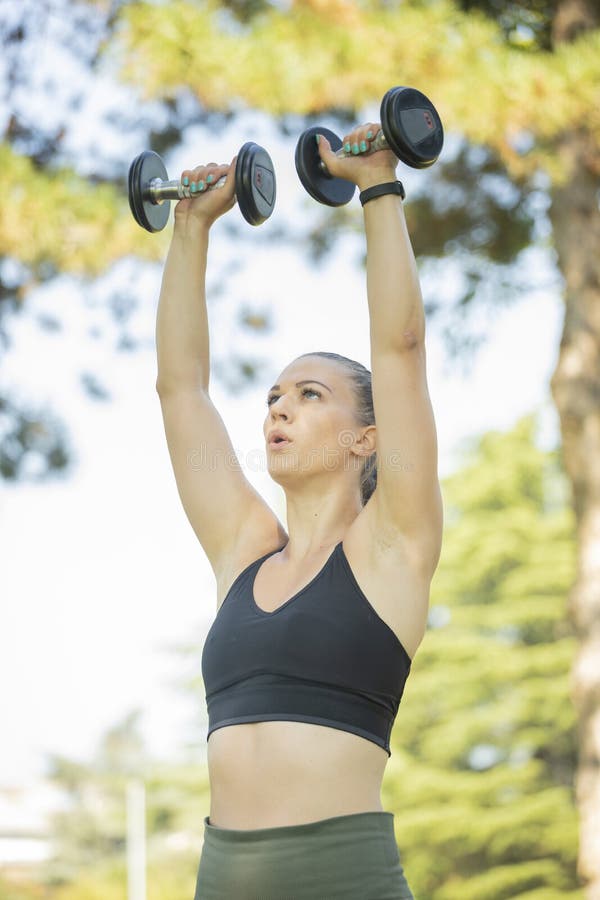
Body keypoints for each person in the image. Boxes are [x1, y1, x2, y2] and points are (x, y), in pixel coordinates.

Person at [155, 123, 444, 900]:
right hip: (221, 879)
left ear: (366, 438)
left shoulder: (393, 548)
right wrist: (190, 228)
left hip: (343, 880)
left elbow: (401, 349)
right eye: (274, 396)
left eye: (309, 395)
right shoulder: (244, 549)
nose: (278, 408)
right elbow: (181, 390)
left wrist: (377, 186)